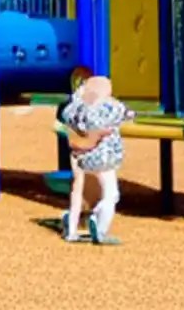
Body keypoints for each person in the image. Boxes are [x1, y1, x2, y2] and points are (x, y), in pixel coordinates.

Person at [60, 73, 134, 245]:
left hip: (82, 156)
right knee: (111, 194)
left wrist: (78, 96)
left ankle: (71, 230)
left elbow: (66, 115)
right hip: (104, 157)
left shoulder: (76, 108)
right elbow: (128, 113)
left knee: (77, 191)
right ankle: (98, 222)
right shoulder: (110, 107)